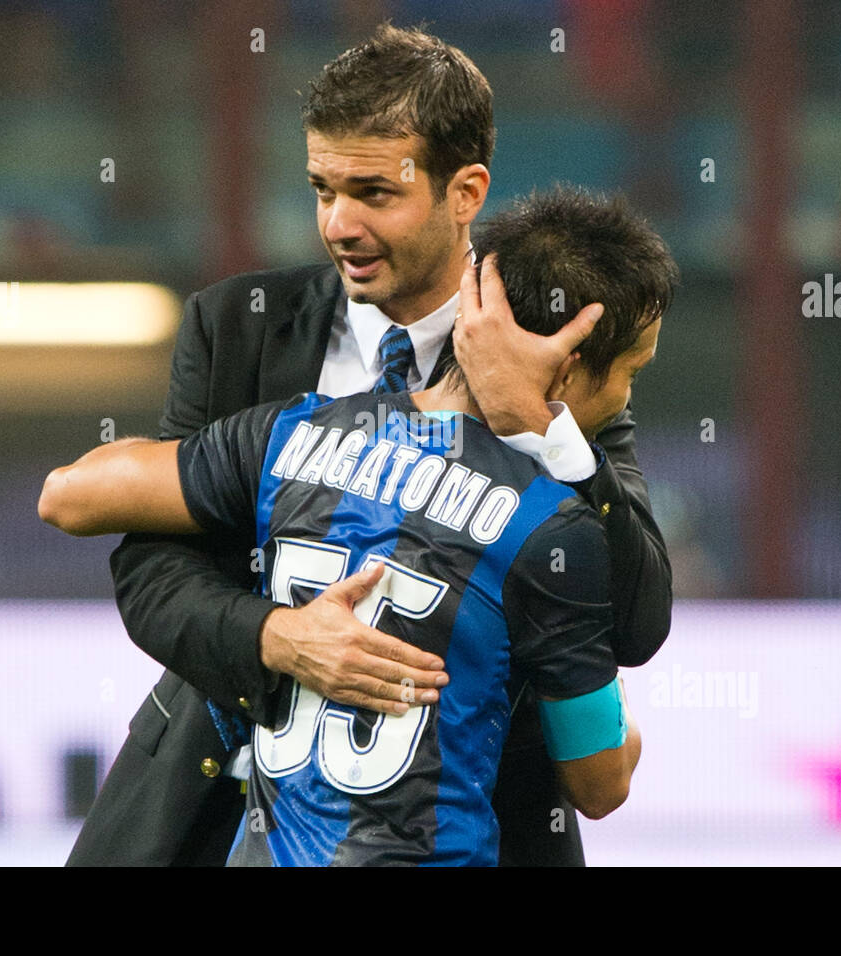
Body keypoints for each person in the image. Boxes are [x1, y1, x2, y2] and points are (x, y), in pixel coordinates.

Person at [67, 24, 672, 868]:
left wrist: (539, 428)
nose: (337, 224)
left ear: (467, 192)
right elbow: (154, 571)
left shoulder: (544, 342)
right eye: (322, 189)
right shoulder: (237, 324)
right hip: (211, 801)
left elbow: (636, 624)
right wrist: (277, 639)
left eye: (374, 193)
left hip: (468, 824)